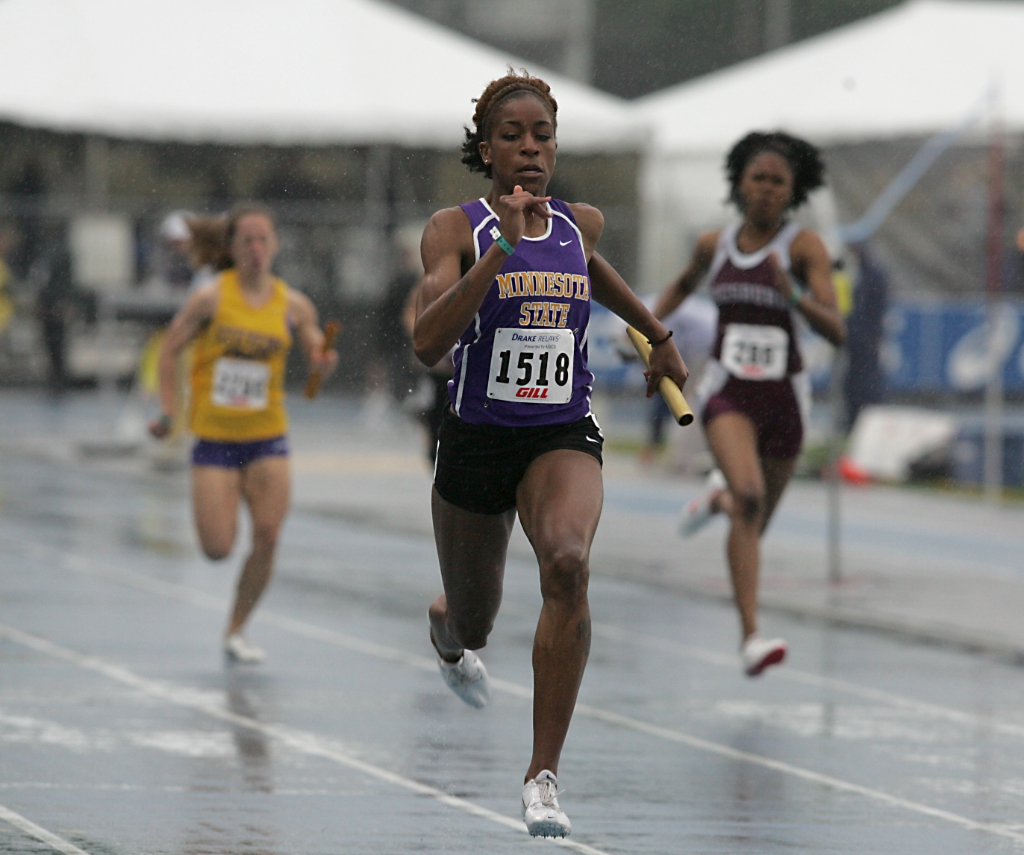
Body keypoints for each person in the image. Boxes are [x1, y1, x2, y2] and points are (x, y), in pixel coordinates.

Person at [412, 69, 688, 839]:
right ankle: (447, 624)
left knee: (567, 563)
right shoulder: (453, 230)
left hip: (558, 433)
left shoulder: (579, 223)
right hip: (474, 439)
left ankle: (542, 775)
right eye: (513, 137)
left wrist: (659, 338)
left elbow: (593, 276)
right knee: (476, 620)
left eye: (543, 136)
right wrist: (499, 244)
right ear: (487, 150)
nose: (530, 149)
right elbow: (429, 341)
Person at [654, 131, 846, 677]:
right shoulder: (715, 245)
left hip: (786, 400)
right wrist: (643, 329)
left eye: (777, 181)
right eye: (756, 178)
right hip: (728, 395)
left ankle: (716, 504)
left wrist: (795, 297)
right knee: (751, 497)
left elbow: (836, 331)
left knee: (749, 523)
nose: (765, 189)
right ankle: (752, 638)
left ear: (793, 191)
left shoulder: (805, 248)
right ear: (739, 183)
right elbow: (679, 287)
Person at [149, 204, 337, 662]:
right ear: (232, 249)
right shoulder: (211, 298)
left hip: (267, 436)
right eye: (247, 241)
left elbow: (318, 356)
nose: (256, 249)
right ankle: (224, 500)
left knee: (269, 537)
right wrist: (169, 412)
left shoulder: (292, 303)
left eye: (263, 240)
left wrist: (322, 365)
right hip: (214, 438)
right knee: (217, 549)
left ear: (274, 246)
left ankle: (236, 628)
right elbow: (168, 350)